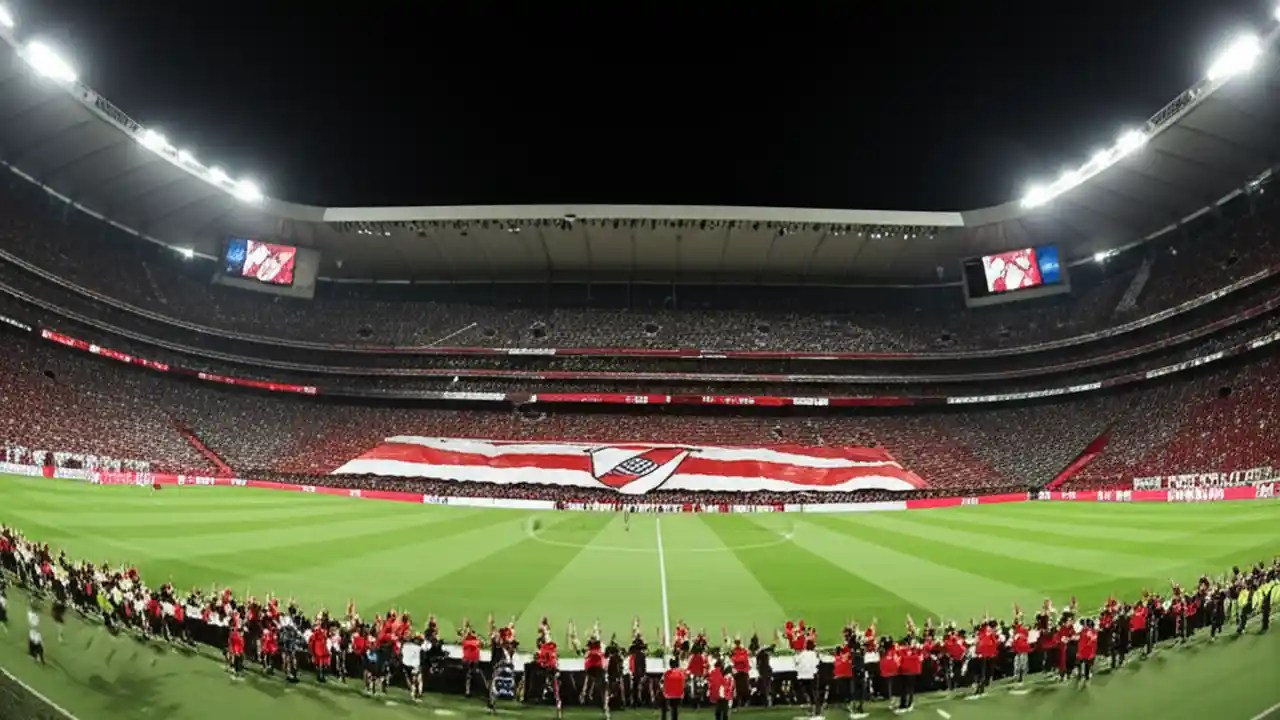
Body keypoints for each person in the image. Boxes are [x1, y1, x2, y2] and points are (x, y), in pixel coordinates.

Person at [794, 640, 819, 716]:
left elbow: (796, 662)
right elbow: (816, 664)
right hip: (811, 676)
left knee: (807, 693)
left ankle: (811, 709)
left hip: (802, 676)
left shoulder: (802, 654)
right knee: (812, 693)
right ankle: (814, 710)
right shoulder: (814, 654)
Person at [402, 633, 423, 701]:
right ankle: (415, 695)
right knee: (416, 680)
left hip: (406, 664)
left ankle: (414, 693)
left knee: (412, 680)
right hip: (414, 665)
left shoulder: (406, 645)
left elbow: (401, 654)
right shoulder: (418, 648)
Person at [1076, 619, 1097, 686]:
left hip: (1085, 651)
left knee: (1083, 662)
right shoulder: (1092, 631)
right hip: (1087, 651)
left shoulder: (1085, 631)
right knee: (1086, 664)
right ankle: (1085, 676)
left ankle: (1083, 675)